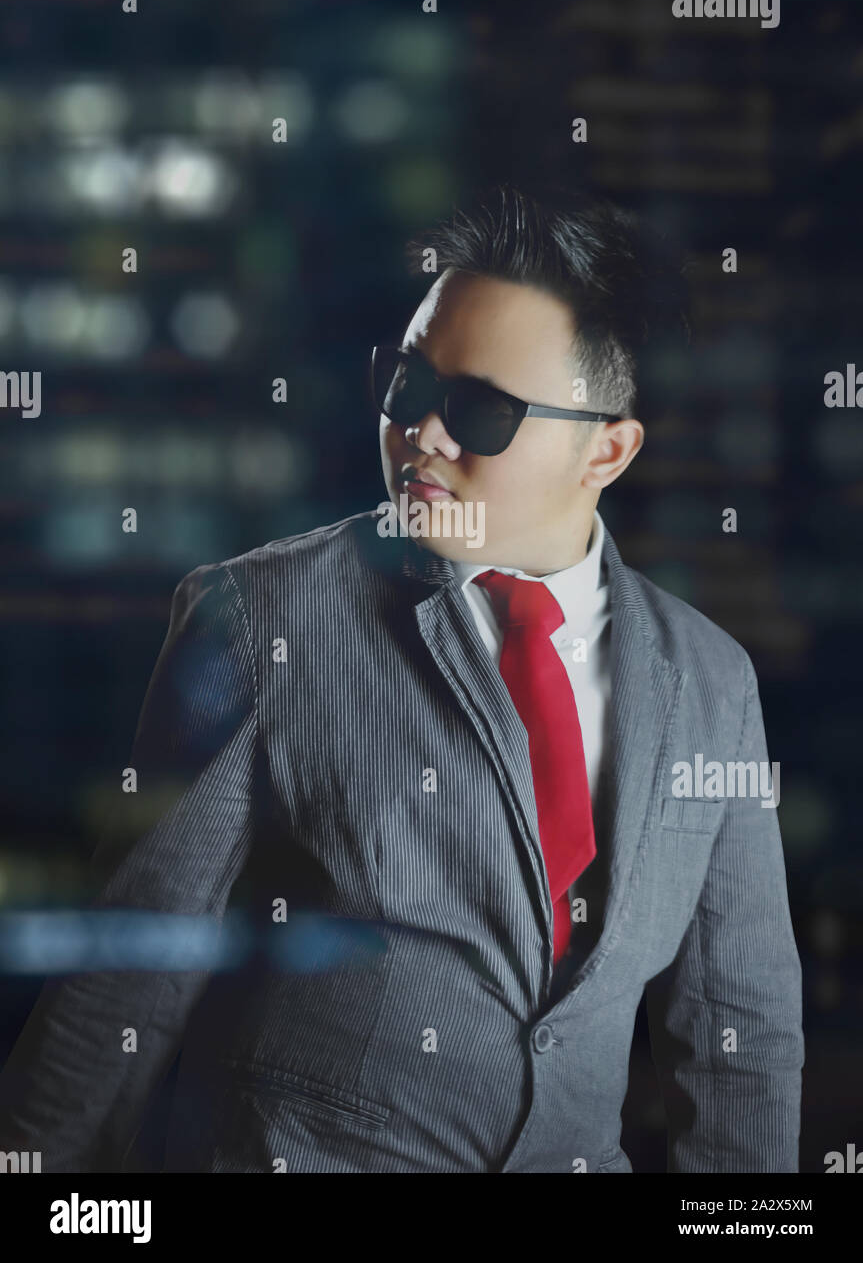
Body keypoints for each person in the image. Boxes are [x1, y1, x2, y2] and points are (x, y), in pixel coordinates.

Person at [0, 182, 803, 1173]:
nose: (421, 433)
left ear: (607, 447)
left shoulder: (708, 684)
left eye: (478, 410)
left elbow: (740, 1033)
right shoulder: (261, 619)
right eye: (408, 386)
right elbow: (128, 971)